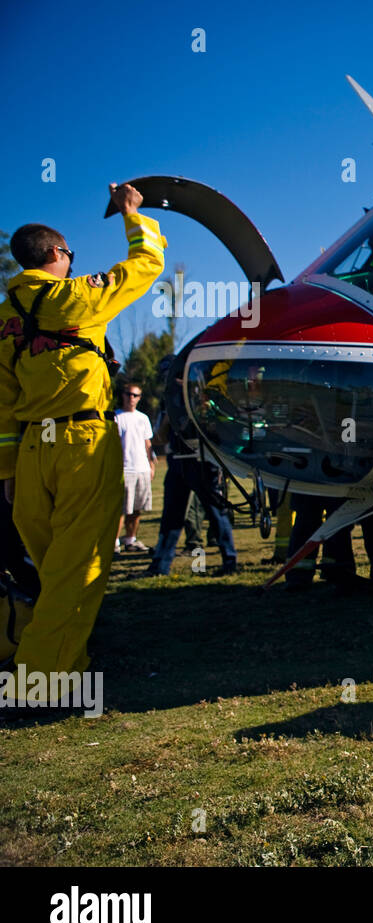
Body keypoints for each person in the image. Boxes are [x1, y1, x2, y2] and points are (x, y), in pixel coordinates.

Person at [0, 182, 166, 709]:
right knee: (80, 569)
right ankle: (37, 685)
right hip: (81, 441)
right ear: (55, 255)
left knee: (53, 570)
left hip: (30, 453)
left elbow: (1, 404)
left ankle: (63, 658)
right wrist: (133, 214)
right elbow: (145, 265)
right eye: (69, 254)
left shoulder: (4, 319)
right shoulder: (76, 297)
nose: (72, 261)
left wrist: (7, 471)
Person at [143, 355, 238, 577]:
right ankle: (161, 564)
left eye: (171, 374)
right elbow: (160, 439)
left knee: (217, 513)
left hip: (202, 461)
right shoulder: (169, 401)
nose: (169, 379)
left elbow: (219, 429)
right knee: (171, 516)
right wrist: (168, 420)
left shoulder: (201, 394)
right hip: (178, 462)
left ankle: (229, 561)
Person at [114, 382, 155, 553]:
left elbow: (148, 443)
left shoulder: (143, 418)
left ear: (139, 398)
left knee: (137, 508)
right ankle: (114, 543)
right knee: (121, 509)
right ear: (123, 395)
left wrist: (151, 464)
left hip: (142, 468)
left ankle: (131, 540)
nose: (131, 398)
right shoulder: (116, 417)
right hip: (124, 469)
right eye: (128, 394)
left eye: (135, 395)